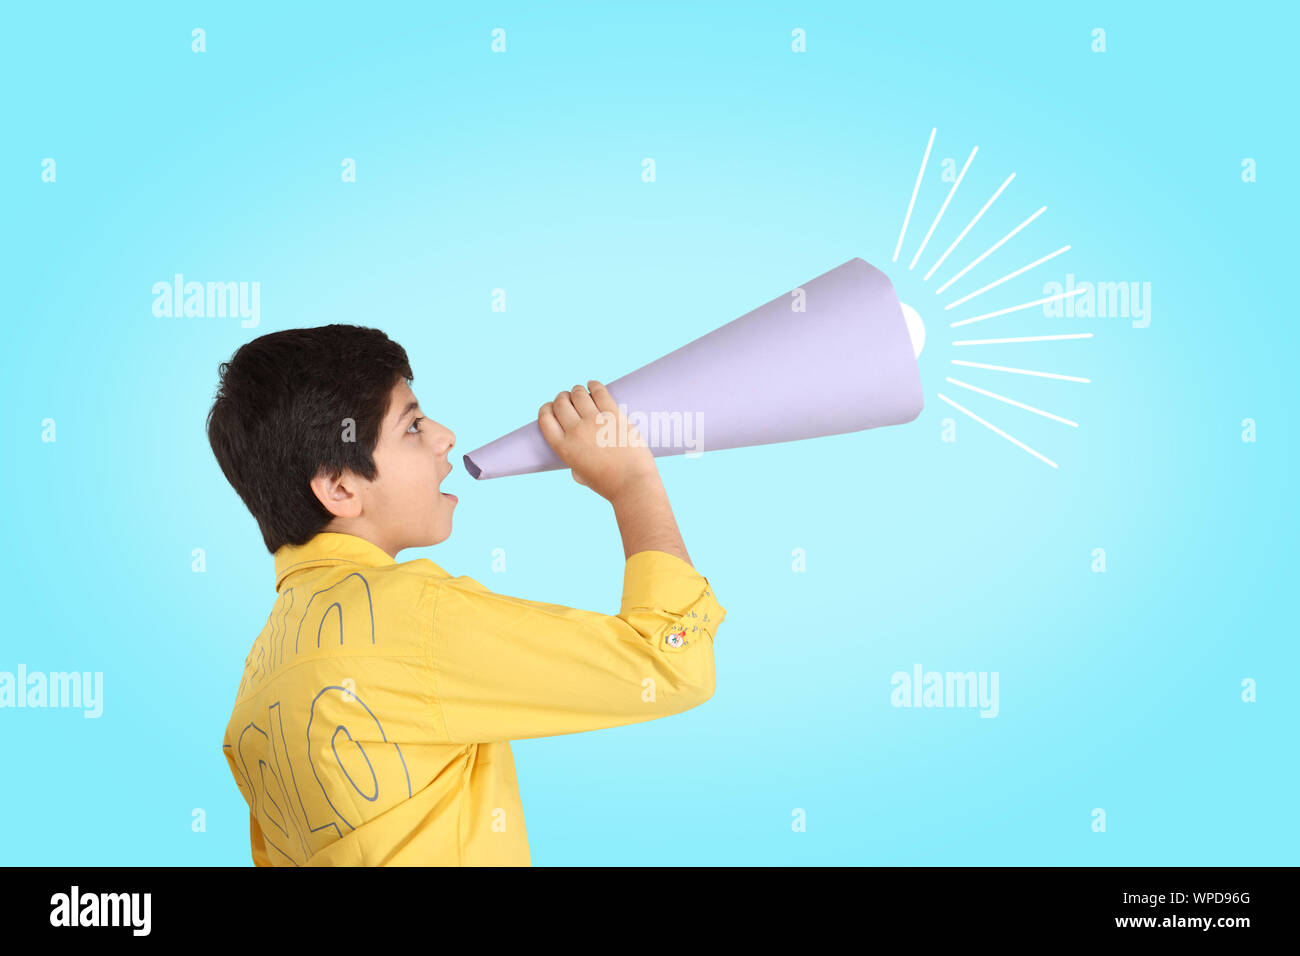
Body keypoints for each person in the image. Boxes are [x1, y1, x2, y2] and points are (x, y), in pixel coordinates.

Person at [206, 324, 726, 865]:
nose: (444, 435)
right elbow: (671, 665)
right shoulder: (413, 618)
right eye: (411, 425)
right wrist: (632, 483)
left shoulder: (257, 678)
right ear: (341, 488)